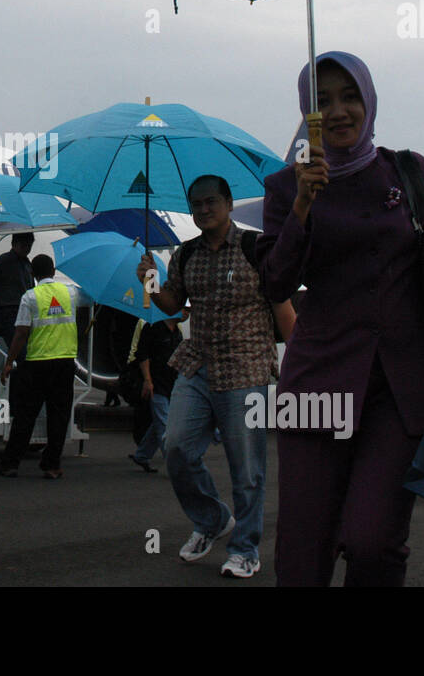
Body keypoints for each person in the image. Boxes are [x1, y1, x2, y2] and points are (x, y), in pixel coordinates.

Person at [258, 51, 424, 587]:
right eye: (322, 102)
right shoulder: (285, 188)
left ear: (370, 100)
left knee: (373, 540)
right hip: (318, 384)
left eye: (349, 96)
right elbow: (275, 283)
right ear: (305, 114)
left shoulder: (408, 172)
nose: (338, 111)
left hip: (402, 387)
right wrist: (302, 211)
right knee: (303, 548)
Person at [138, 175, 295, 579]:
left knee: (247, 469)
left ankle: (245, 549)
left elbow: (281, 306)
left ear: (227, 203)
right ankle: (212, 520)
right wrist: (150, 281)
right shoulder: (186, 253)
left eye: (211, 202)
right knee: (175, 449)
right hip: (198, 364)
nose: (203, 210)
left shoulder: (255, 248)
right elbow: (172, 302)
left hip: (245, 367)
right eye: (196, 204)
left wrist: (301, 361)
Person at [0, 254, 90, 479]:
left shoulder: (30, 297)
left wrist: (9, 362)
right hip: (66, 363)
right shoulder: (69, 293)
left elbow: (20, 333)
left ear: (32, 274)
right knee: (59, 415)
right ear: (54, 271)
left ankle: (10, 463)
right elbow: (89, 298)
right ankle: (52, 465)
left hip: (37, 363)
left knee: (26, 415)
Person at [126, 312, 185, 473]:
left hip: (170, 385)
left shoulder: (177, 332)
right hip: (156, 385)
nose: (187, 314)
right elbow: (141, 355)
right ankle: (177, 468)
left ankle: (142, 455)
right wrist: (148, 380)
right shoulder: (152, 327)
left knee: (157, 426)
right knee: (165, 428)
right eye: (185, 310)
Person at [0, 232, 34, 353]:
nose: (27, 249)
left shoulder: (27, 264)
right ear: (14, 244)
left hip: (23, 311)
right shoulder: (3, 261)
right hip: (7, 311)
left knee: (24, 349)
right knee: (20, 351)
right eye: (24, 245)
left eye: (29, 246)